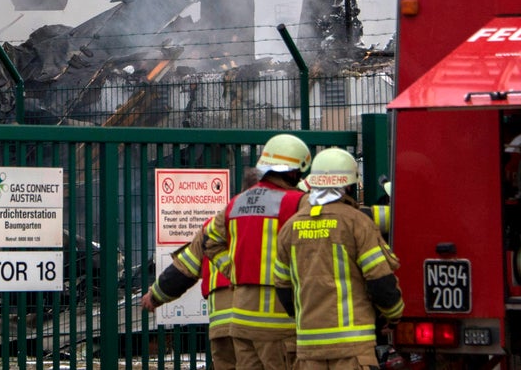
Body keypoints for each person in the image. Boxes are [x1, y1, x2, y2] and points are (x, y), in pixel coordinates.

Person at [274, 147, 404, 370]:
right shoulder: (357, 223)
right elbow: (380, 283)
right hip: (352, 350)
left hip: (308, 351)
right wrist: (394, 316)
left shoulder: (290, 228)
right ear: (348, 185)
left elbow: (283, 289)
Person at [205, 133, 312, 370]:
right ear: (295, 172)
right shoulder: (297, 202)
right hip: (279, 321)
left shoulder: (235, 203)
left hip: (241, 319)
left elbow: (210, 241)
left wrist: (232, 270)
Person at [141, 167, 260, 370]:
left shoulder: (214, 225)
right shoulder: (282, 219)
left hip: (223, 321)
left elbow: (183, 270)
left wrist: (155, 296)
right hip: (262, 319)